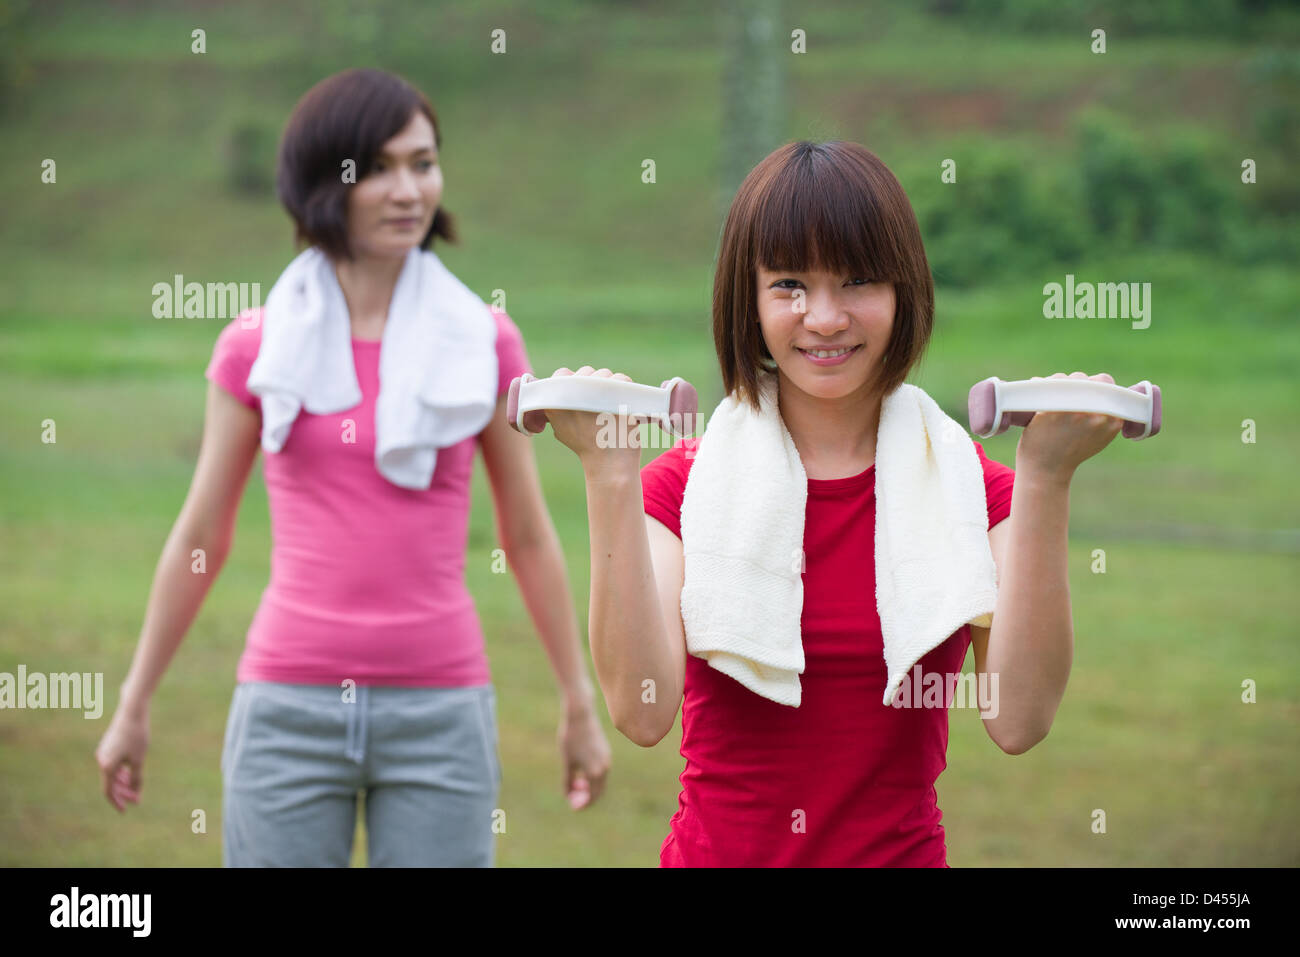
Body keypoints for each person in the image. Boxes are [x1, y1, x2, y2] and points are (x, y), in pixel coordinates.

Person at [545, 140, 1124, 866]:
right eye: (789, 283)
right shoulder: (682, 487)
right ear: (748, 301)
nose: (823, 317)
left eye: (857, 280)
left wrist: (1046, 478)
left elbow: (1020, 718)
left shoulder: (969, 488)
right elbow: (640, 710)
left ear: (902, 293)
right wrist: (607, 470)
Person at [93, 68, 610, 867]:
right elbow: (202, 532)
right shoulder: (254, 347)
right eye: (377, 167)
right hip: (285, 709)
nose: (409, 189)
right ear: (322, 183)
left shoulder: (485, 339)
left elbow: (530, 535)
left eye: (423, 162)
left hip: (442, 711)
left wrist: (579, 702)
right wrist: (133, 703)